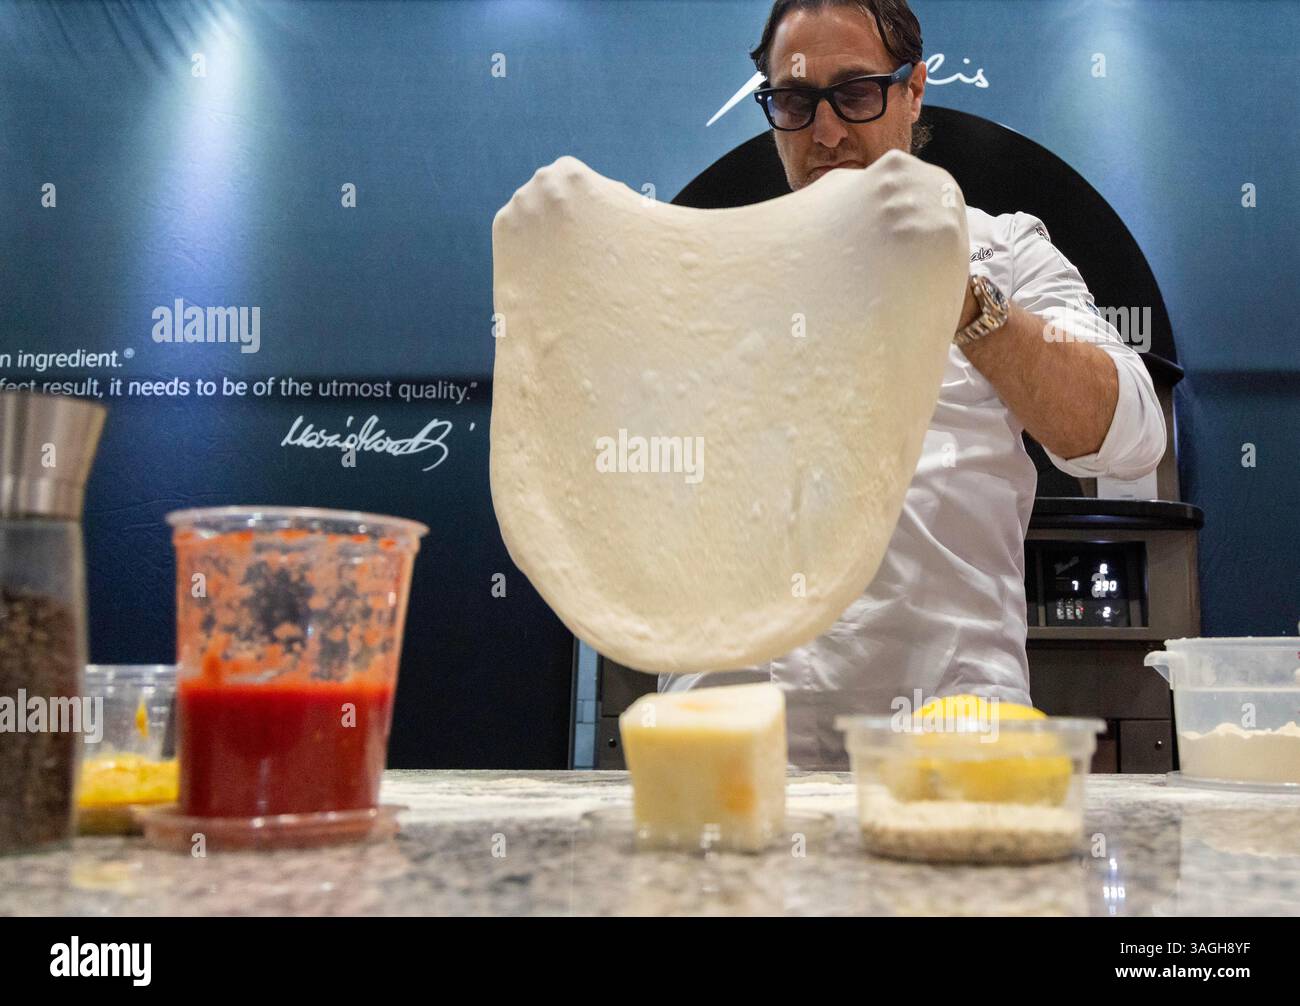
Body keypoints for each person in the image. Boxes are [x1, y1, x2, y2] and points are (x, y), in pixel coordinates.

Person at [660, 0, 1166, 768]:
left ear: (914, 90)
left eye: (856, 91)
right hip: (728, 756)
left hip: (950, 746)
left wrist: (965, 302)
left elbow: (1125, 435)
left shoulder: (1003, 251)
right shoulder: (703, 272)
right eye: (795, 101)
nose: (825, 132)